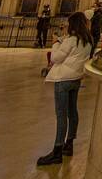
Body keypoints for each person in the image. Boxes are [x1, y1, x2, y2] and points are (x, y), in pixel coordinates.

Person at [36, 12, 95, 166]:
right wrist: (62, 39)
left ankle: (57, 150)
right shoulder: (88, 41)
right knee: (72, 111)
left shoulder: (71, 41)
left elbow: (55, 58)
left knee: (61, 115)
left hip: (63, 79)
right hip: (76, 79)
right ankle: (69, 144)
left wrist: (55, 43)